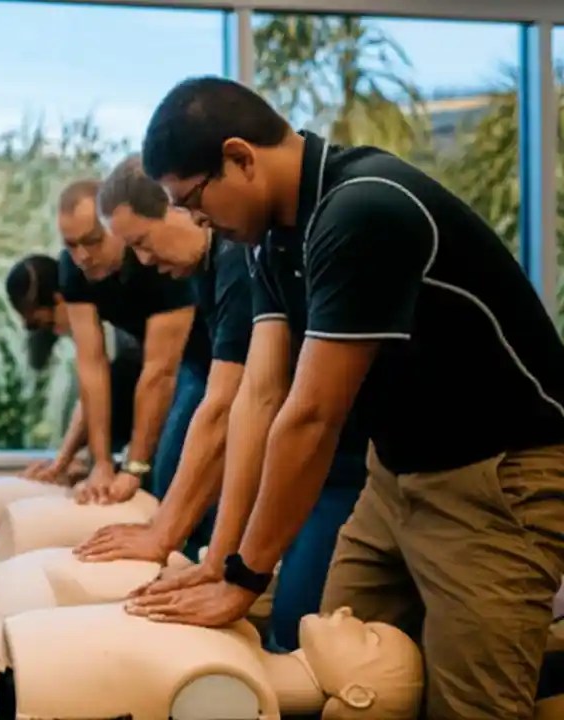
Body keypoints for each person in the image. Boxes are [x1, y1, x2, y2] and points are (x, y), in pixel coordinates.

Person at [130, 76, 564, 718]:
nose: (196, 220)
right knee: (342, 675)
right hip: (395, 476)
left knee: (472, 706)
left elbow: (311, 417)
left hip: (497, 482)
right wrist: (223, 560)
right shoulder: (268, 238)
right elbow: (261, 398)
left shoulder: (365, 209)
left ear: (241, 158)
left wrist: (247, 579)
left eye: (193, 200)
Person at [76, 154, 363, 653]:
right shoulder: (208, 266)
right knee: (284, 610)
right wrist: (210, 555)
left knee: (299, 625)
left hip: (345, 457)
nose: (143, 261)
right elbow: (239, 403)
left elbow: (231, 406)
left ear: (180, 208)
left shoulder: (237, 260)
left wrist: (186, 545)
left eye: (142, 243)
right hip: (301, 451)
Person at [40, 180, 214, 547]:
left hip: (204, 355)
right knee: (133, 469)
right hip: (155, 359)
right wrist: (100, 463)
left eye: (92, 241)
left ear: (115, 228)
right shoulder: (73, 269)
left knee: (170, 468)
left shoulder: (154, 258)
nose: (83, 256)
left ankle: (200, 556)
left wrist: (134, 466)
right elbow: (91, 366)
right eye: (72, 245)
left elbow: (161, 371)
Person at [5, 255, 142, 487]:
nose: (54, 333)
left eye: (43, 323)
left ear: (59, 300)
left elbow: (95, 397)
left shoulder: (108, 327)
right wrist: (65, 462)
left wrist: (62, 462)